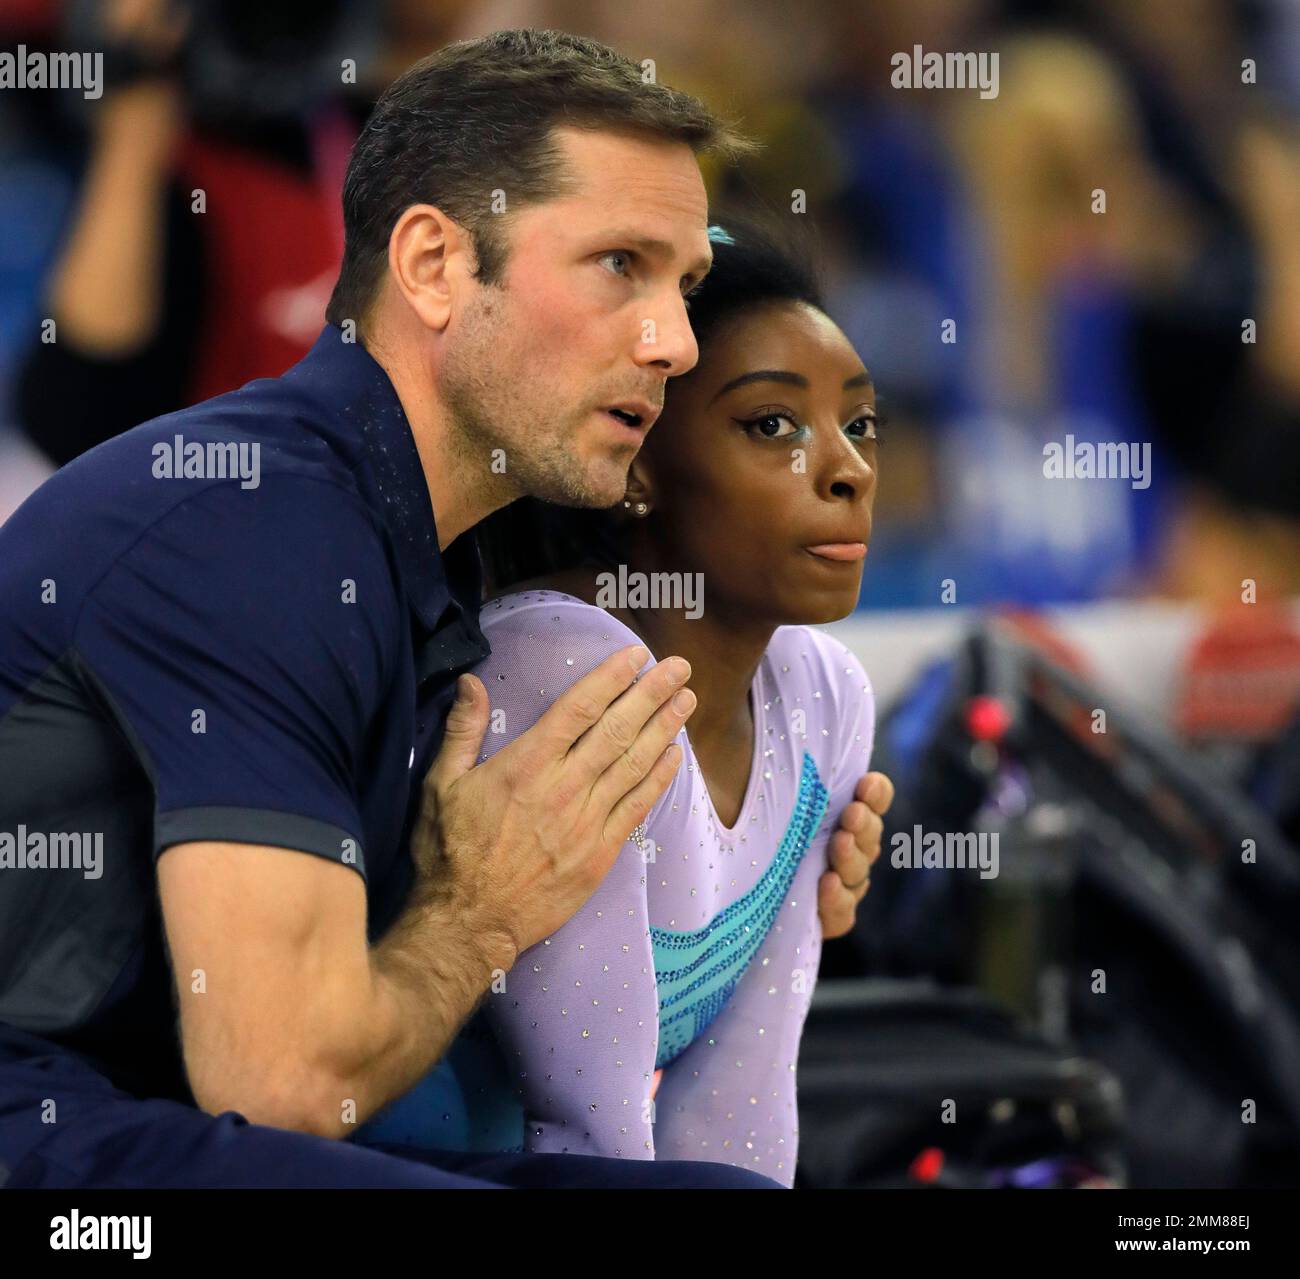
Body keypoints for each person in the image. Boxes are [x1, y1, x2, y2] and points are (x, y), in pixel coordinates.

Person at [0, 29, 886, 1190]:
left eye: (682, 286)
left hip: (157, 1118)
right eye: (619, 266)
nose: (672, 343)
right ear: (431, 265)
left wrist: (744, 887)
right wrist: (479, 914)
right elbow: (288, 1079)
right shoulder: (256, 526)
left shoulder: (435, 543)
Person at [354, 216, 883, 1187]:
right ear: (637, 463)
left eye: (859, 423)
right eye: (773, 425)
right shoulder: (562, 672)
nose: (847, 469)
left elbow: (739, 1109)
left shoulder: (825, 697)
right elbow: (584, 1131)